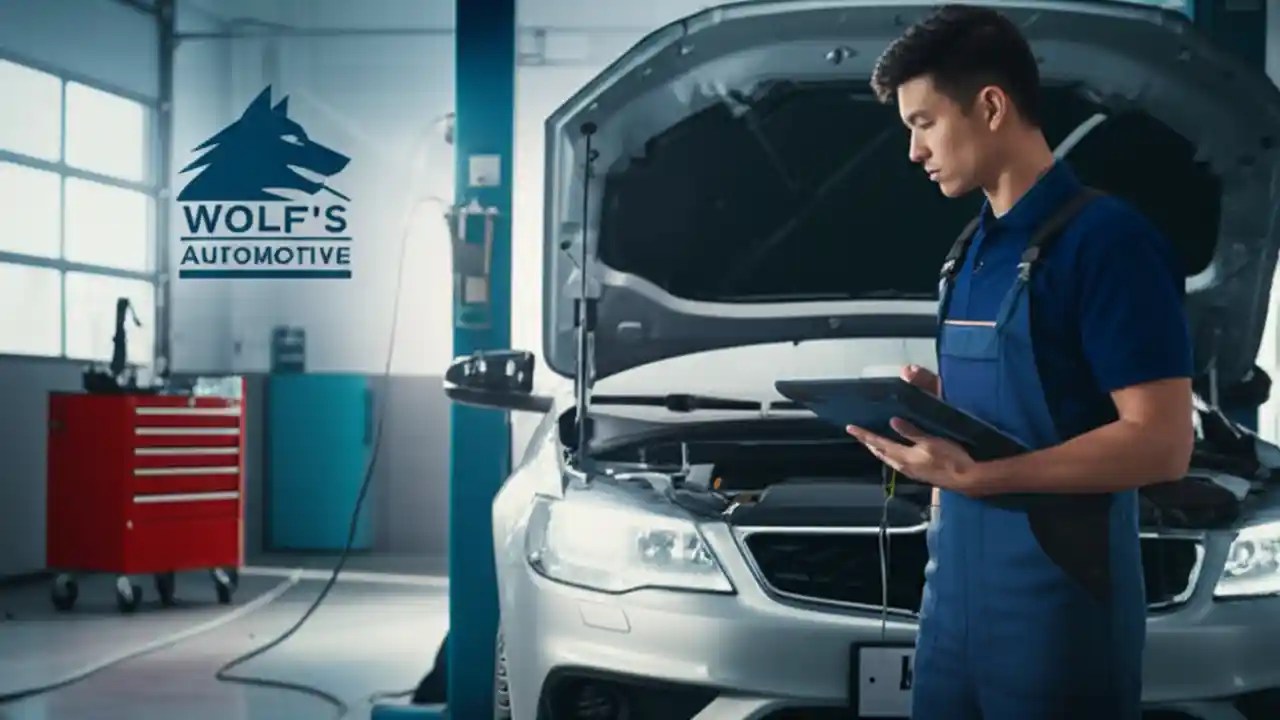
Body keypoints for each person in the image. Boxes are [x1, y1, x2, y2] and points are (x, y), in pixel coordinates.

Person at [845, 5, 1195, 719]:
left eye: (923, 123)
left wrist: (982, 476)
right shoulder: (968, 252)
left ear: (992, 106)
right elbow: (1042, 396)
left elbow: (1162, 443)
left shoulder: (1108, 243)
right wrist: (935, 406)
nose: (913, 151)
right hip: (952, 608)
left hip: (1060, 610)